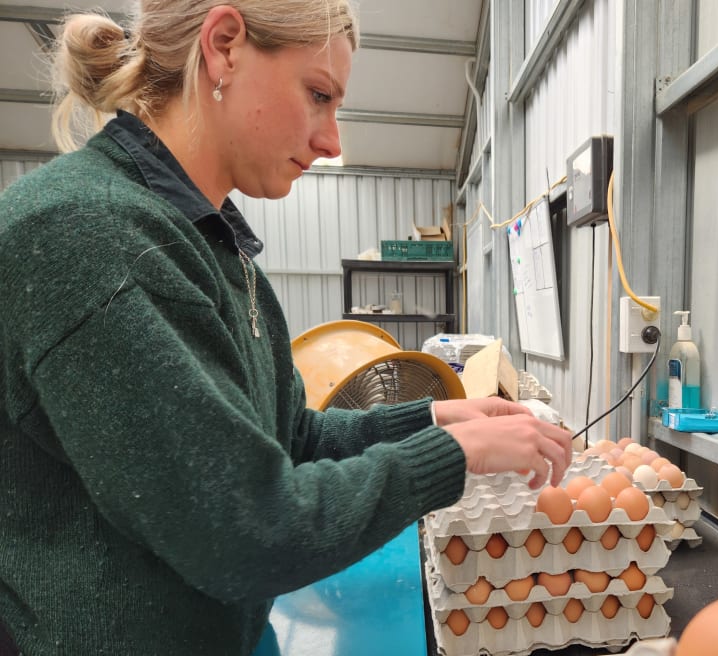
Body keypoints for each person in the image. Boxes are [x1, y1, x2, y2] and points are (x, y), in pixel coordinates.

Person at [0, 1, 574, 654]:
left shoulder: (211, 246)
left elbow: (284, 436)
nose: (332, 140)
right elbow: (242, 530)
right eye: (318, 95)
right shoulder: (89, 237)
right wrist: (451, 460)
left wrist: (433, 422)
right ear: (223, 45)